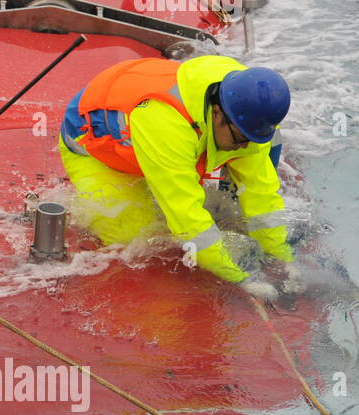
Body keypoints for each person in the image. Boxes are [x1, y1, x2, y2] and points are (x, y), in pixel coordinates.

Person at [59, 55, 298, 299]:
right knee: (135, 242)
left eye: (253, 141)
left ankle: (166, 174)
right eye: (240, 140)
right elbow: (189, 223)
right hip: (95, 144)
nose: (245, 147)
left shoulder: (246, 106)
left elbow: (262, 198)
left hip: (149, 111)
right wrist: (239, 279)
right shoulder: (166, 123)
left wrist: (284, 259)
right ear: (217, 112)